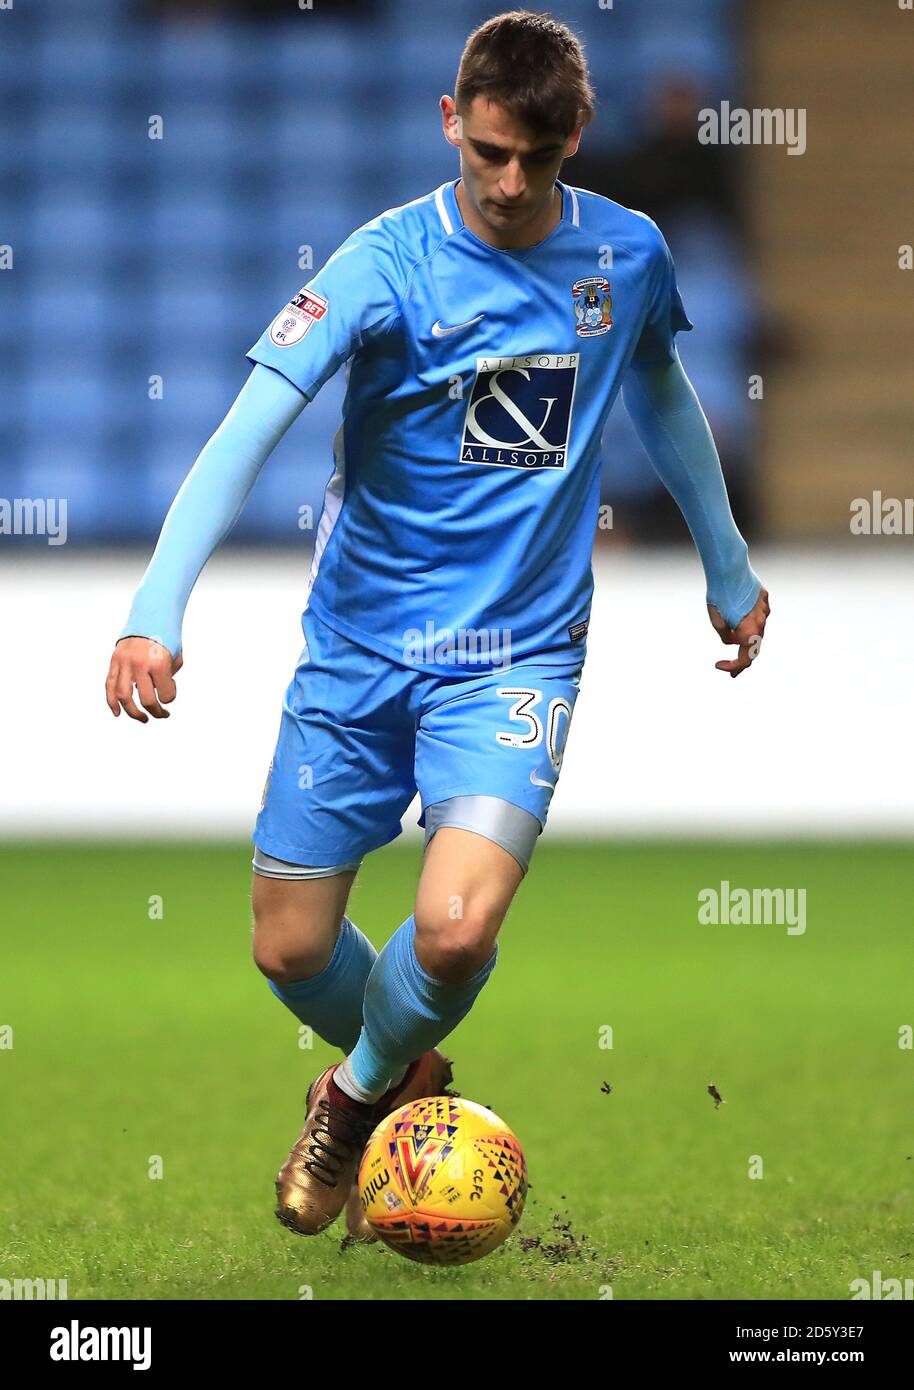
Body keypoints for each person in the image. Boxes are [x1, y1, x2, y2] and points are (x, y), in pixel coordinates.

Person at [105, 10, 769, 1242]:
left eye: (538, 158)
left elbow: (666, 400)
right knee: (291, 948)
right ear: (450, 122)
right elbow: (246, 429)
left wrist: (724, 568)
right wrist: (156, 606)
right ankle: (403, 1063)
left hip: (515, 655)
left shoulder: (624, 258)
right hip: (358, 651)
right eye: (489, 153)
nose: (510, 184)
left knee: (455, 931)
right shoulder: (381, 262)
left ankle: (352, 1100)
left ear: (575, 136)